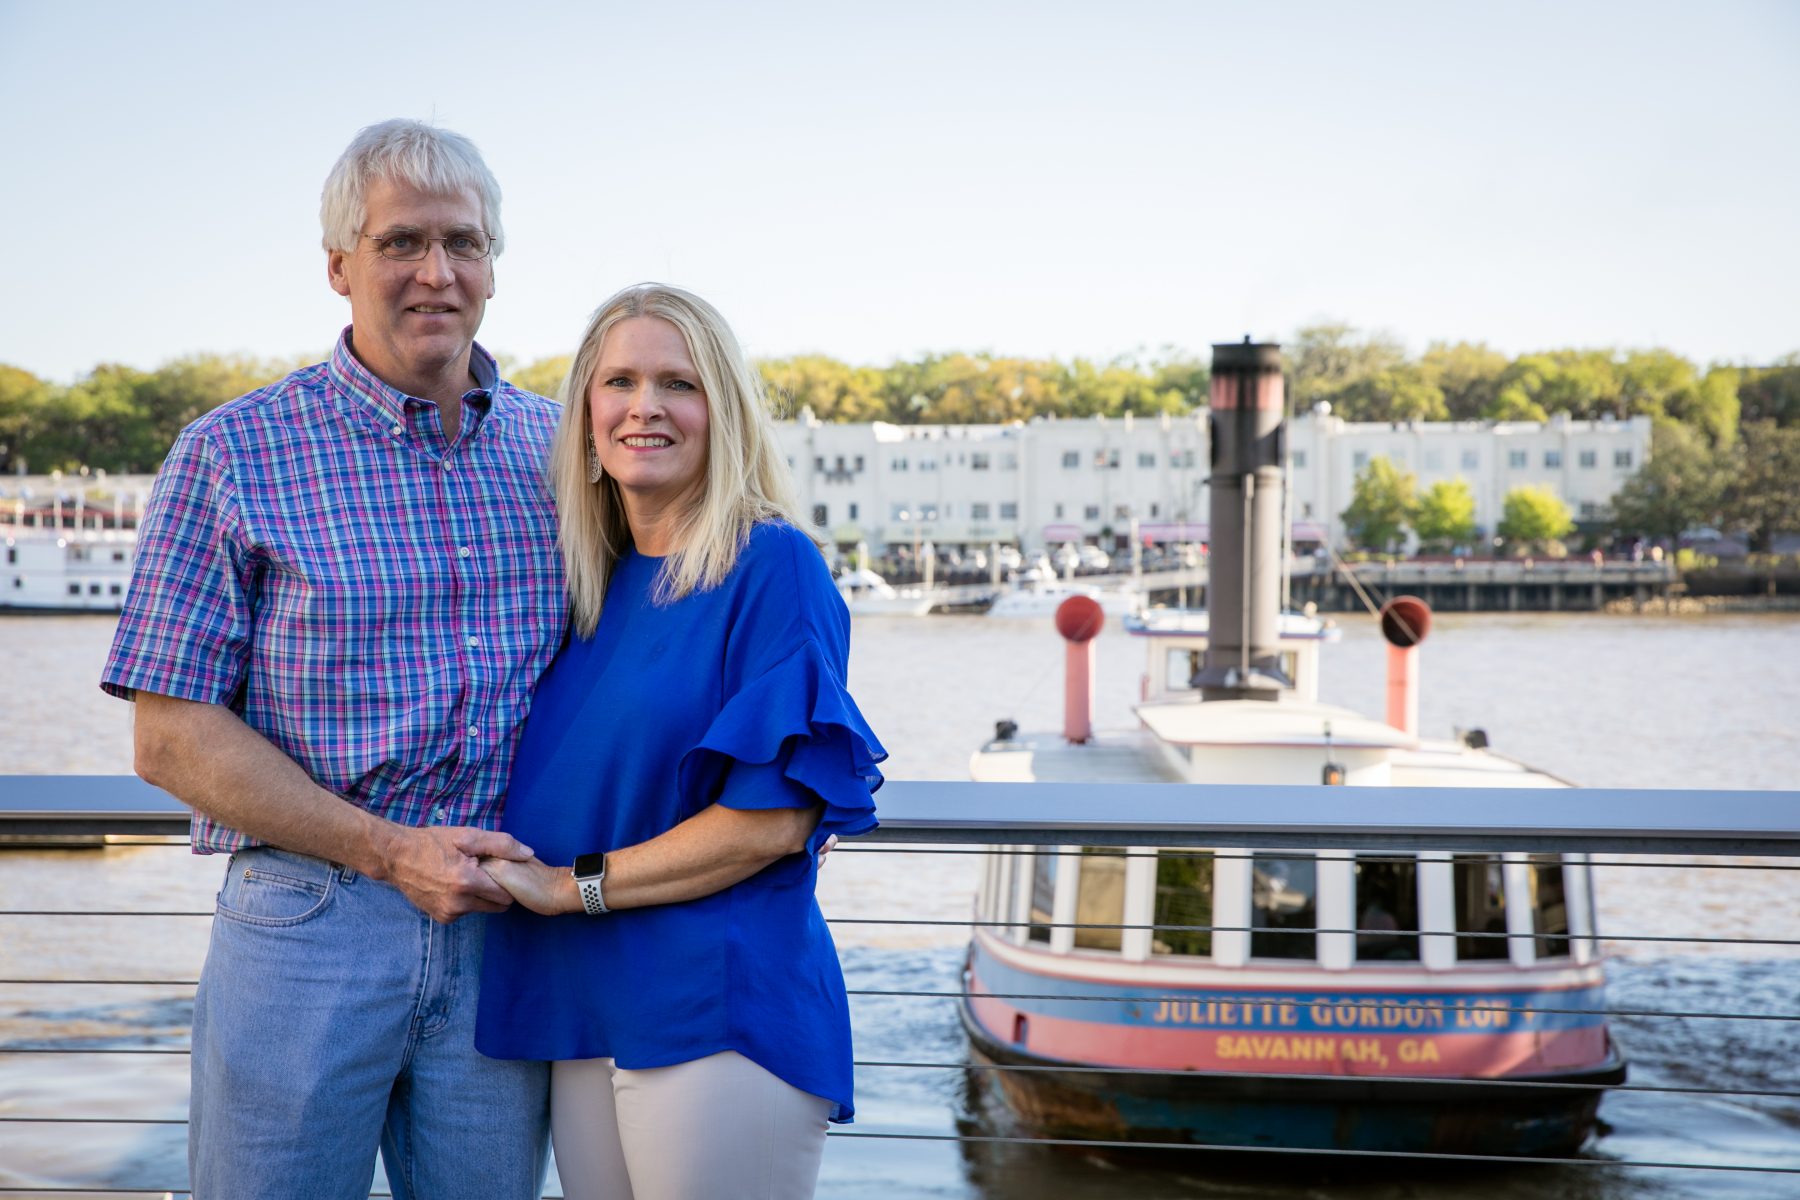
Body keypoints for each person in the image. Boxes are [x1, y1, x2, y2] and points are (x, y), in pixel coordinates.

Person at [99, 120, 564, 1199]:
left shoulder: (564, 452)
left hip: (511, 929)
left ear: (494, 265)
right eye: (402, 242)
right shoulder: (232, 451)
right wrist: (389, 851)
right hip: (307, 925)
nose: (436, 273)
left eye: (465, 243)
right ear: (339, 264)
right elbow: (168, 737)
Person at [472, 283, 884, 1200]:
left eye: (678, 384)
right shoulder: (588, 583)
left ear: (723, 412)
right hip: (581, 1004)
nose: (644, 406)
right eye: (618, 380)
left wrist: (567, 886)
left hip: (715, 1005)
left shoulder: (771, 564)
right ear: (584, 414)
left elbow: (768, 822)